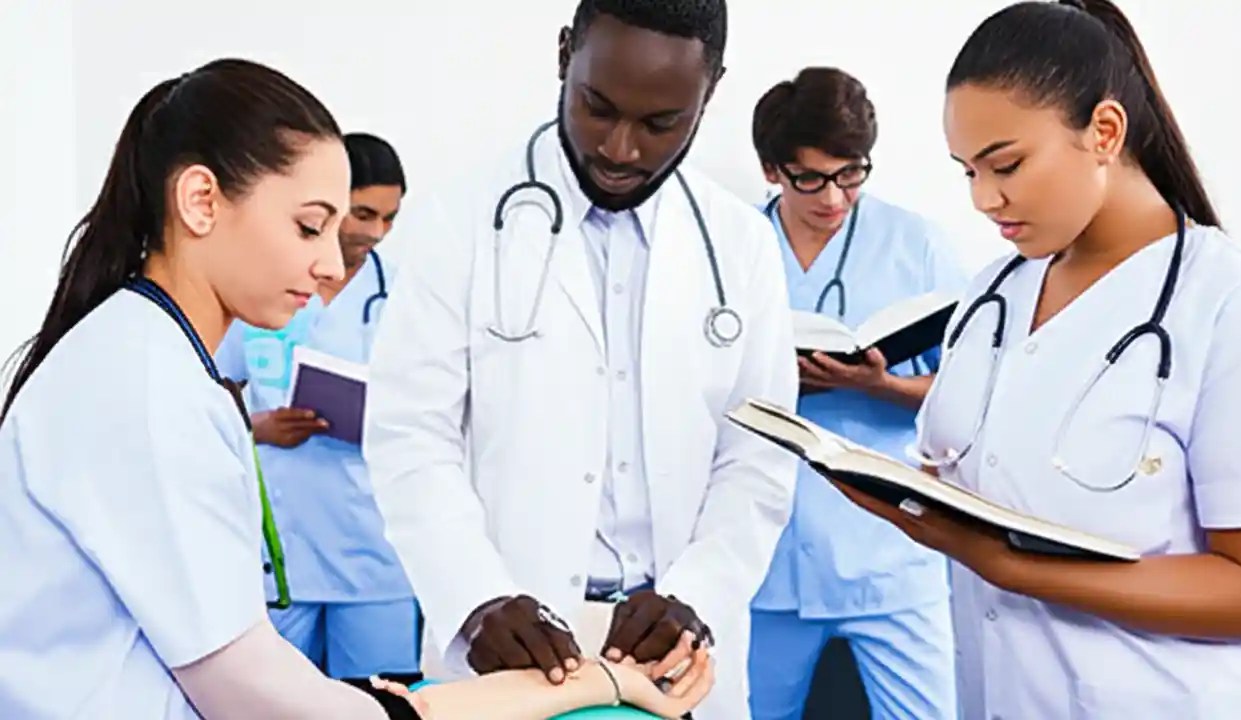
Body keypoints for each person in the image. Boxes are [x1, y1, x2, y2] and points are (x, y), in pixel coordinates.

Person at [0, 57, 711, 720]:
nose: (330, 266)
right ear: (201, 200)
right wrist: (595, 681)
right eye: (309, 227)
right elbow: (241, 687)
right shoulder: (145, 384)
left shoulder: (146, 354)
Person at [828, 1, 1241, 718]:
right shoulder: (992, 296)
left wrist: (1014, 569)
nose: (984, 199)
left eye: (1005, 165)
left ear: (1105, 131)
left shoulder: (1229, 305)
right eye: (968, 172)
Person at [362, 0, 798, 717]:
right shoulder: (459, 222)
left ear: (711, 89)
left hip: (676, 655)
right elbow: (410, 436)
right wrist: (476, 598)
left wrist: (697, 595)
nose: (621, 149)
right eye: (598, 108)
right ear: (565, 54)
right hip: (510, 646)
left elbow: (758, 457)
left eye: (660, 124)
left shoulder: (739, 245)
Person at [747, 67, 965, 720]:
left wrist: (881, 384)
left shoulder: (917, 245)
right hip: (767, 553)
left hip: (890, 550)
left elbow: (973, 396)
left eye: (851, 175)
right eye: (811, 179)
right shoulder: (734, 247)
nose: (834, 198)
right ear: (772, 170)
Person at [214, 131, 417, 679]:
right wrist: (257, 426)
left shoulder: (406, 297)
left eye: (390, 218)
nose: (375, 233)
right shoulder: (260, 286)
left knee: (382, 700)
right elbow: (208, 391)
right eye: (362, 214)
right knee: (273, 701)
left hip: (375, 555)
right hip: (281, 551)